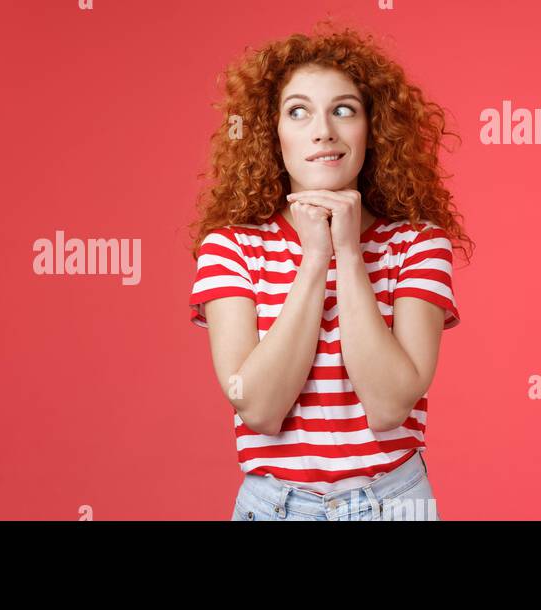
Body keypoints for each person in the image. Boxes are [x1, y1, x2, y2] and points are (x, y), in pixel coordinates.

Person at [186, 21, 475, 521]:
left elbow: (388, 407)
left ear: (373, 128)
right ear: (272, 134)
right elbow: (258, 408)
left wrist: (349, 252)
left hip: (394, 504)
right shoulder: (230, 248)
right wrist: (316, 258)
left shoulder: (418, 244)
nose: (324, 130)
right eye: (298, 112)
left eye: (344, 109)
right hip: (272, 508)